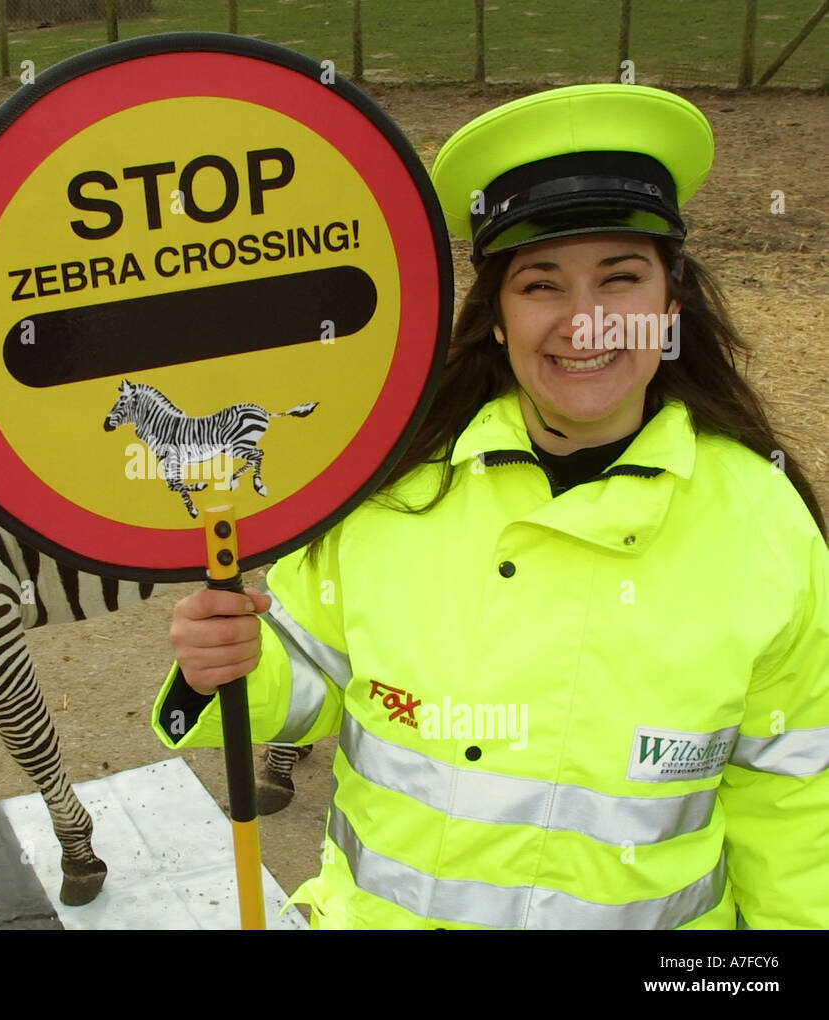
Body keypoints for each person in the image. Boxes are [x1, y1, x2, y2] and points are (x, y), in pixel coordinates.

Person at [151, 83, 829, 930]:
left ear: (670, 305)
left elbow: (799, 807)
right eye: (541, 286)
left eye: (620, 280)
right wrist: (231, 659)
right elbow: (305, 669)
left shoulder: (767, 528)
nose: (586, 325)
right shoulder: (395, 486)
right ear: (499, 318)